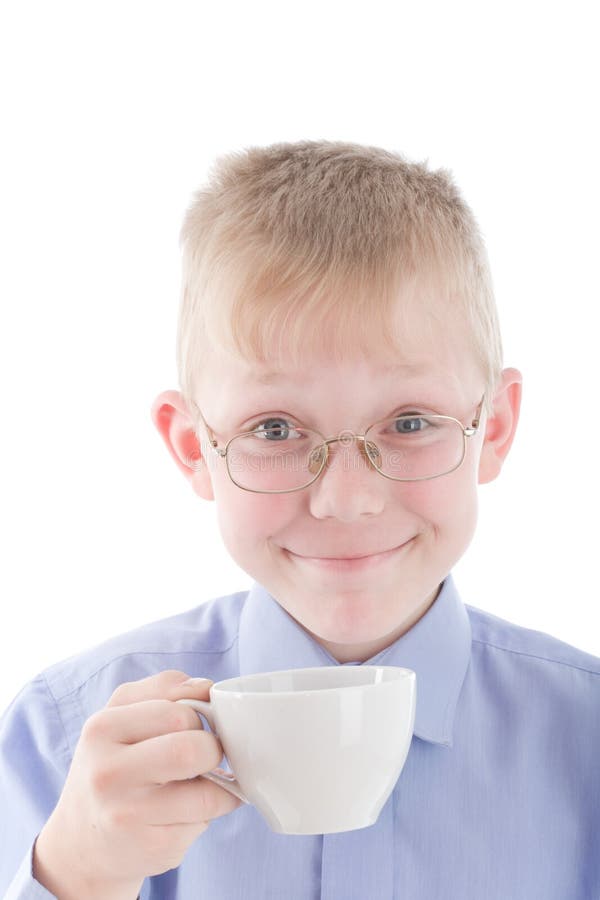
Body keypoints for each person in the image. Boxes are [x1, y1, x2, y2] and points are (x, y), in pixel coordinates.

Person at [1, 140, 598, 900]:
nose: (345, 499)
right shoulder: (62, 739)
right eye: (275, 429)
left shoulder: (586, 738)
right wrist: (78, 875)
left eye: (410, 422)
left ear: (497, 428)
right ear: (194, 448)